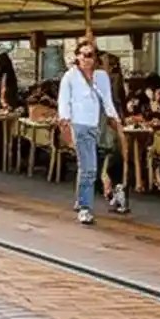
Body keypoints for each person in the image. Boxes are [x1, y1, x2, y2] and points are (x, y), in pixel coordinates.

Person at [57, 39, 125, 225]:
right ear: (77, 57)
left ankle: (81, 201)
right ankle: (86, 208)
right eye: (84, 55)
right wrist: (65, 122)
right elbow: (64, 102)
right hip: (79, 125)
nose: (88, 59)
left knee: (89, 166)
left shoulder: (101, 76)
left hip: (96, 124)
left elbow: (107, 99)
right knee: (90, 168)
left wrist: (116, 120)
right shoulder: (70, 77)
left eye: (91, 55)